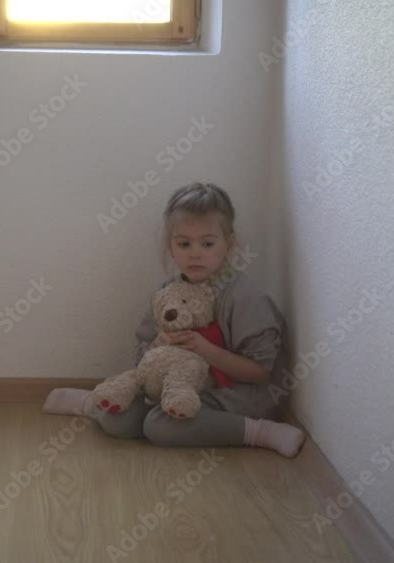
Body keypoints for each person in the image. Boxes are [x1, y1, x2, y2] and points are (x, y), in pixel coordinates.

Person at [44, 182, 306, 457]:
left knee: (160, 425)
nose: (194, 253)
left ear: (228, 244)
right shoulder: (167, 294)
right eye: (184, 243)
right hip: (174, 388)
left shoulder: (245, 297)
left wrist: (204, 349)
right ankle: (92, 404)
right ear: (170, 246)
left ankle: (260, 431)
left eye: (207, 243)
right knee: (118, 419)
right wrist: (158, 343)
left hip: (236, 395)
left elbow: (261, 373)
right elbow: (144, 358)